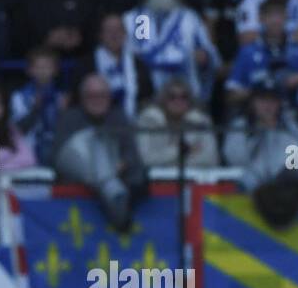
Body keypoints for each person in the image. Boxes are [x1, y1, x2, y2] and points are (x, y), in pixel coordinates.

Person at [53, 72, 148, 232]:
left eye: (102, 95)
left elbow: (132, 155)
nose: (97, 100)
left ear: (110, 97)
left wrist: (122, 164)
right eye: (91, 95)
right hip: (79, 198)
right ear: (82, 98)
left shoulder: (119, 117)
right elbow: (57, 158)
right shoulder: (69, 118)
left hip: (118, 187)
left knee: (138, 180)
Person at [223, 79, 298, 227]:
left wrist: (280, 131)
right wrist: (257, 134)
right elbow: (235, 159)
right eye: (262, 100)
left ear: (279, 104)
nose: (268, 106)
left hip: (285, 191)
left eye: (273, 101)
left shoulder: (290, 126)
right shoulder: (241, 126)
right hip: (250, 193)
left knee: (292, 145)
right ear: (253, 103)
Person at [226, 0, 298, 113]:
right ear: (260, 18)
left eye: (279, 15)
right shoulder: (247, 52)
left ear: (287, 18)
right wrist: (264, 88)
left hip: (292, 116)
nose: (275, 20)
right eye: (270, 15)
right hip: (253, 119)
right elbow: (230, 96)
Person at [136, 77, 221, 168]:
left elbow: (212, 159)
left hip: (195, 178)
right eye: (172, 97)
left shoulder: (201, 121)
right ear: (163, 99)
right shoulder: (149, 120)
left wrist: (169, 161)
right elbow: (146, 159)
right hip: (156, 180)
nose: (178, 101)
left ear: (190, 100)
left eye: (184, 97)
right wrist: (182, 150)